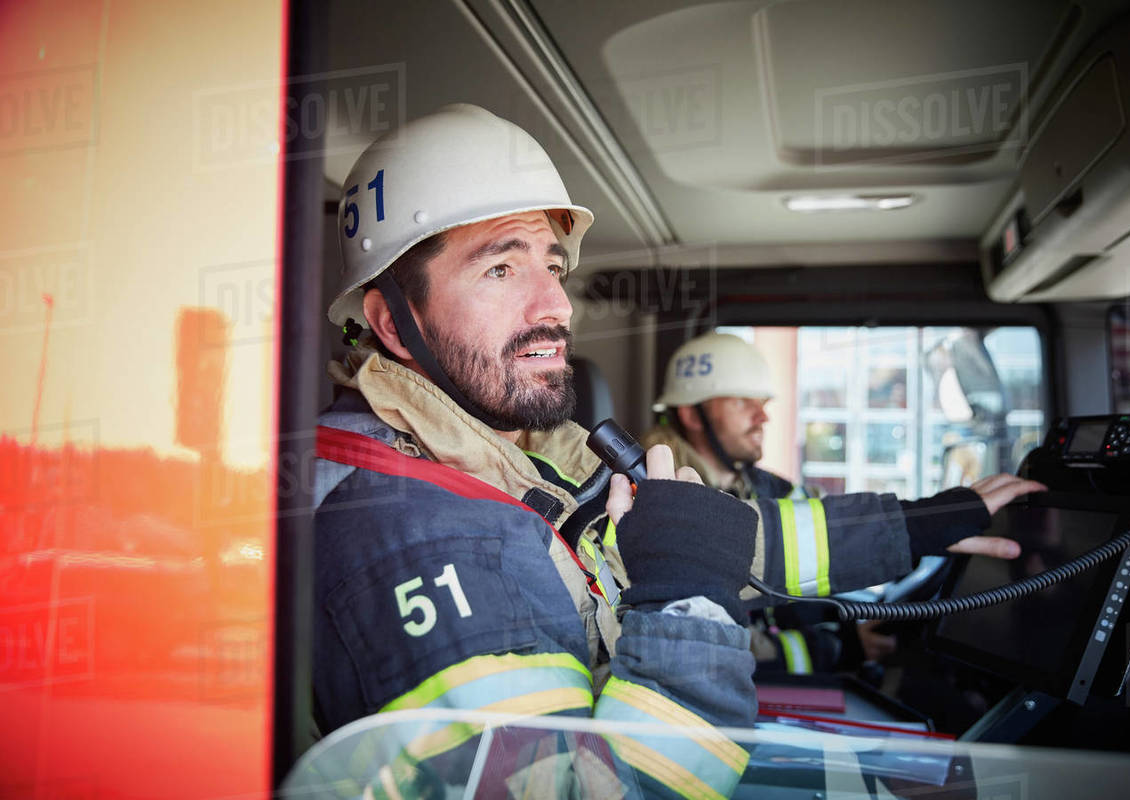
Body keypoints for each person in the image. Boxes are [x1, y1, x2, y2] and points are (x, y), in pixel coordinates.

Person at [305, 104, 1042, 797]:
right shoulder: (410, 525)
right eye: (501, 268)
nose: (557, 305)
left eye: (553, 266)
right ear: (394, 325)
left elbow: (730, 539)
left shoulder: (533, 458)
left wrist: (918, 525)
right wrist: (686, 601)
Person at [640, 331, 1046, 674]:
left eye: (763, 403)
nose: (763, 417)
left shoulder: (761, 486)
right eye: (743, 402)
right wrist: (836, 648)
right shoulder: (654, 499)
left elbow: (819, 529)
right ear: (692, 415)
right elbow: (704, 629)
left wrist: (918, 526)